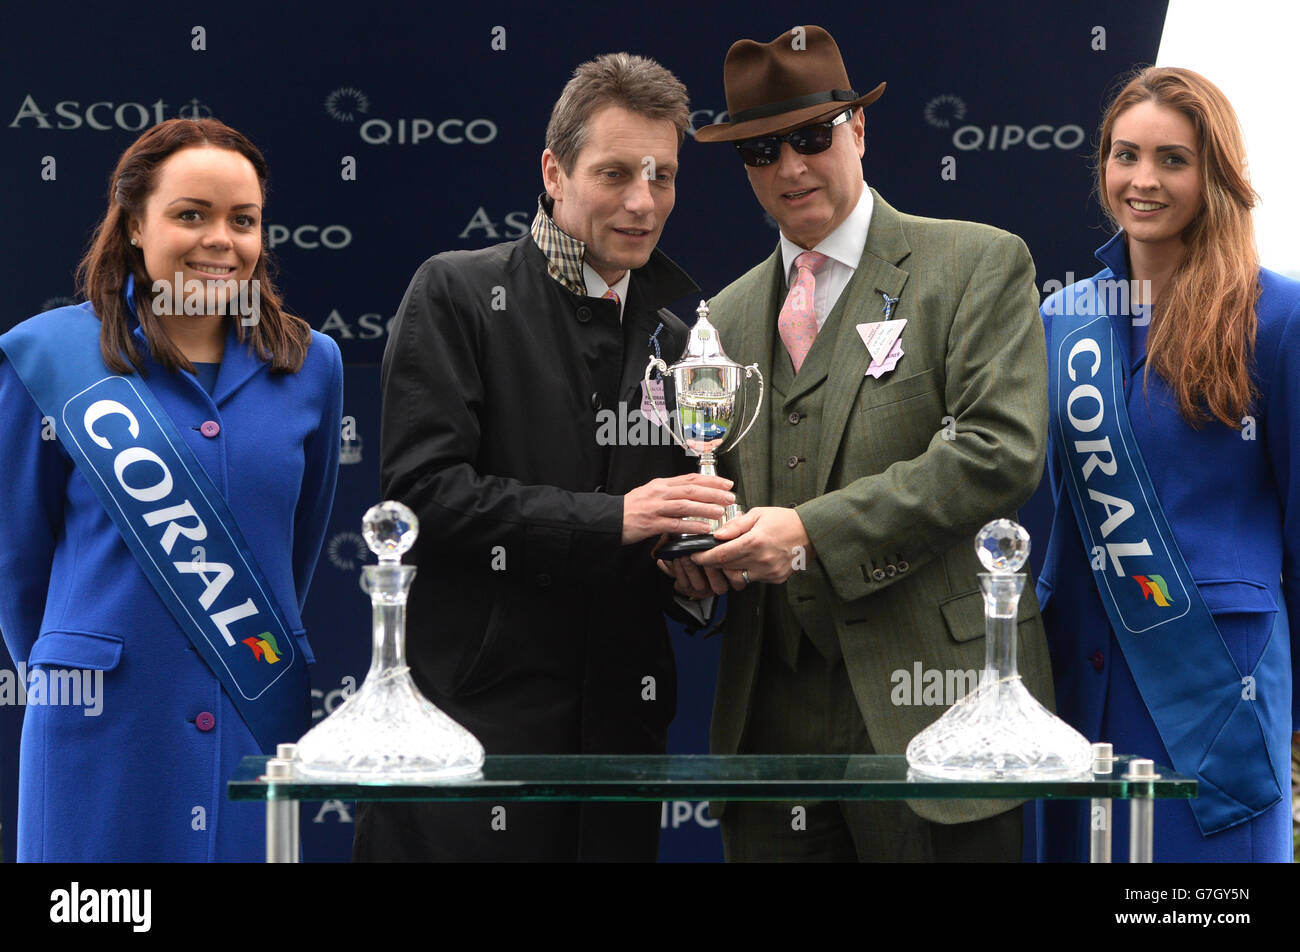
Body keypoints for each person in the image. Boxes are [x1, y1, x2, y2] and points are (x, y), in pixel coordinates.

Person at [675, 25, 1054, 862]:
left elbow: (1002, 453)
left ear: (859, 130)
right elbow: (713, 494)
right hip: (769, 720)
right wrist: (694, 561)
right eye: (761, 150)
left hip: (938, 704)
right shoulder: (725, 319)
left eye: (812, 137)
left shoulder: (976, 264)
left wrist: (809, 532)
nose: (791, 167)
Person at [351, 53, 734, 863]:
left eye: (662, 175)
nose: (643, 201)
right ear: (554, 172)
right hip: (472, 735)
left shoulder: (685, 327)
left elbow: (677, 513)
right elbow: (422, 497)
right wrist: (614, 521)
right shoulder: (457, 292)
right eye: (616, 172)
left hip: (623, 740)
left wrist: (695, 564)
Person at [0, 118, 343, 862]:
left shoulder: (312, 366)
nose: (221, 239)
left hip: (248, 713)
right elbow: (17, 567)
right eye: (191, 214)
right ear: (133, 224)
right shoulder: (46, 356)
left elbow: (294, 554)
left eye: (243, 221)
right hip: (100, 731)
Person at [1035, 67, 1298, 862]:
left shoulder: (1277, 316)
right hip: (1077, 678)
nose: (1143, 180)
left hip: (1218, 686)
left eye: (1173, 160)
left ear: (1213, 174)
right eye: (1125, 155)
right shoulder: (1062, 317)